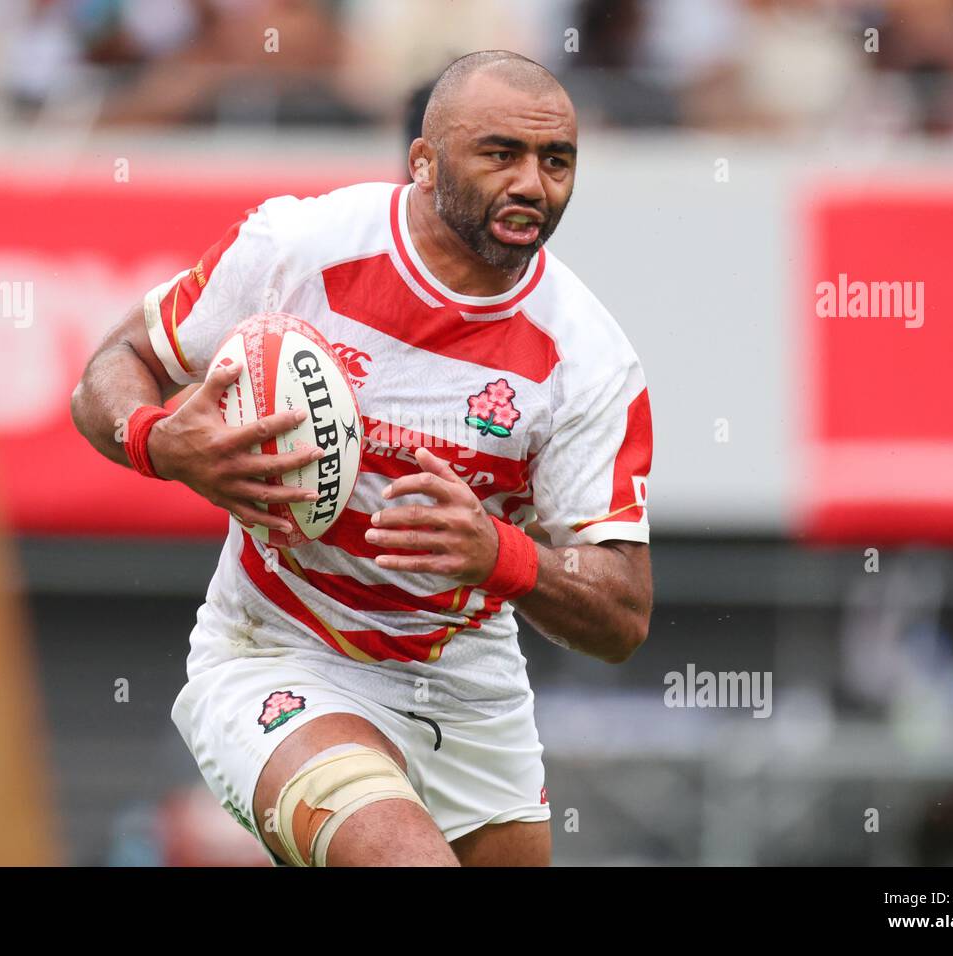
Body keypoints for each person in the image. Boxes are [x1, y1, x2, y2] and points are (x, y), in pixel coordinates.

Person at [71, 50, 654, 867]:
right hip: (279, 649)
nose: (532, 182)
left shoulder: (587, 360)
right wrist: (156, 441)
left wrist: (503, 557)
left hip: (465, 684)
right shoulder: (298, 248)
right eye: (501, 154)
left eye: (556, 161)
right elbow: (115, 364)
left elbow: (624, 615)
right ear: (422, 160)